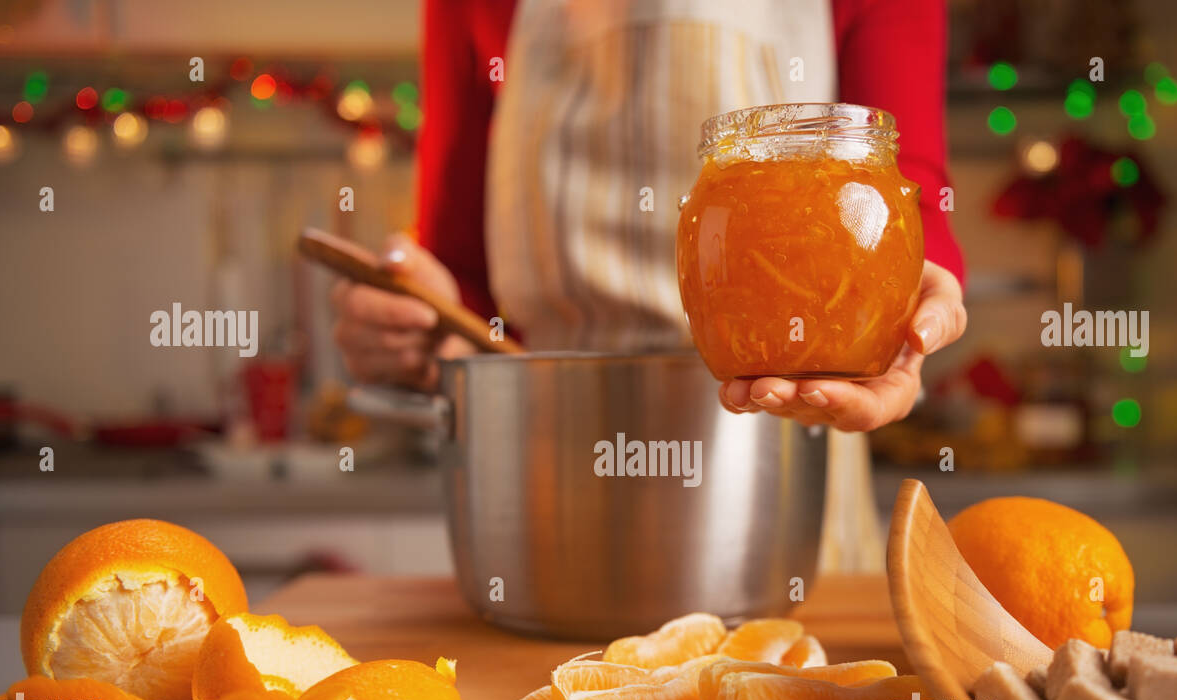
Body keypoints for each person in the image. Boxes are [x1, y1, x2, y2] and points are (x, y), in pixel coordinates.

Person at [332, 0, 967, 566]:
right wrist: (418, 314)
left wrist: (906, 307)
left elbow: (900, 193)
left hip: (783, 473)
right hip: (555, 478)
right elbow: (460, 274)